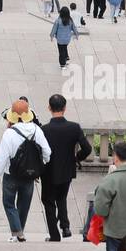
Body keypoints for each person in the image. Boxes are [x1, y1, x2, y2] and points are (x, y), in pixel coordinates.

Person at [0, 98, 51, 242]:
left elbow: (2, 157)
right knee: (24, 204)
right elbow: (47, 151)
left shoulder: (9, 133)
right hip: (29, 174)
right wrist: (42, 163)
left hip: (11, 174)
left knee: (9, 203)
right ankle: (19, 232)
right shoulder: (37, 130)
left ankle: (17, 232)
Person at [41, 94, 91, 242]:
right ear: (64, 108)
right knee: (61, 197)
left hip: (48, 171)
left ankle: (54, 234)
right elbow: (87, 149)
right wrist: (76, 158)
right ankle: (65, 226)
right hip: (67, 169)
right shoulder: (74, 127)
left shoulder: (44, 129)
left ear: (49, 108)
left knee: (49, 201)